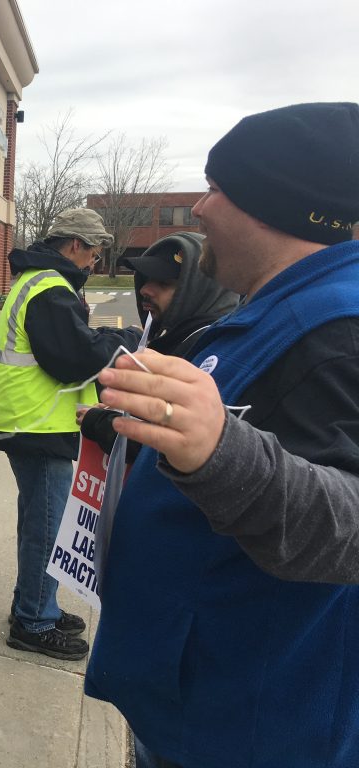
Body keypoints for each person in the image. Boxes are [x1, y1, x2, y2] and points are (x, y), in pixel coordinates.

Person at [85, 102, 359, 768]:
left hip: (255, 729)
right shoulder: (279, 314)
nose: (200, 210)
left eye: (216, 188)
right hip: (202, 707)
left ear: (272, 204)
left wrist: (219, 449)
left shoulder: (338, 332)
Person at [0, 208, 141, 660]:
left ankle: (33, 604)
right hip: (36, 424)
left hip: (26, 422)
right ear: (74, 245)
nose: (94, 261)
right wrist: (125, 340)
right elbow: (74, 357)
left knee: (38, 520)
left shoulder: (39, 281)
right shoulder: (51, 289)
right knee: (47, 526)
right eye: (93, 251)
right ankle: (34, 619)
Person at [79, 232, 238, 455]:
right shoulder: (171, 339)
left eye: (164, 283)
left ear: (198, 289)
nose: (145, 290)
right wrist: (120, 410)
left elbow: (168, 444)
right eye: (145, 279)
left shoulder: (211, 352)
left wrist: (101, 422)